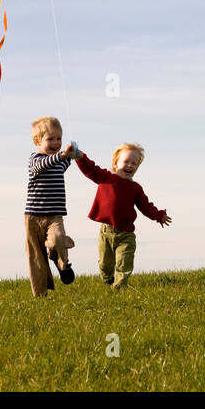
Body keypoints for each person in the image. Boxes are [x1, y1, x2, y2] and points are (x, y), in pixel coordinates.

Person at [74, 143, 171, 288]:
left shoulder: (135, 188)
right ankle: (108, 279)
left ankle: (120, 287)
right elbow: (91, 170)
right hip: (106, 232)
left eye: (134, 163)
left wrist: (159, 216)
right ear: (115, 163)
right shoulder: (106, 177)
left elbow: (146, 206)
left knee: (124, 261)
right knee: (105, 263)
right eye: (126, 162)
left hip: (126, 234)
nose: (130, 166)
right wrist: (80, 157)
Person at [24, 116, 78, 296]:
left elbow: (64, 162)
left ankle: (63, 266)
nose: (56, 143)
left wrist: (72, 154)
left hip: (54, 215)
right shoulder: (35, 160)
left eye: (59, 139)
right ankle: (40, 295)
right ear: (37, 141)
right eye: (50, 139)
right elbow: (43, 165)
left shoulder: (58, 161)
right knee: (36, 256)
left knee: (58, 240)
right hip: (33, 216)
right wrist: (62, 155)